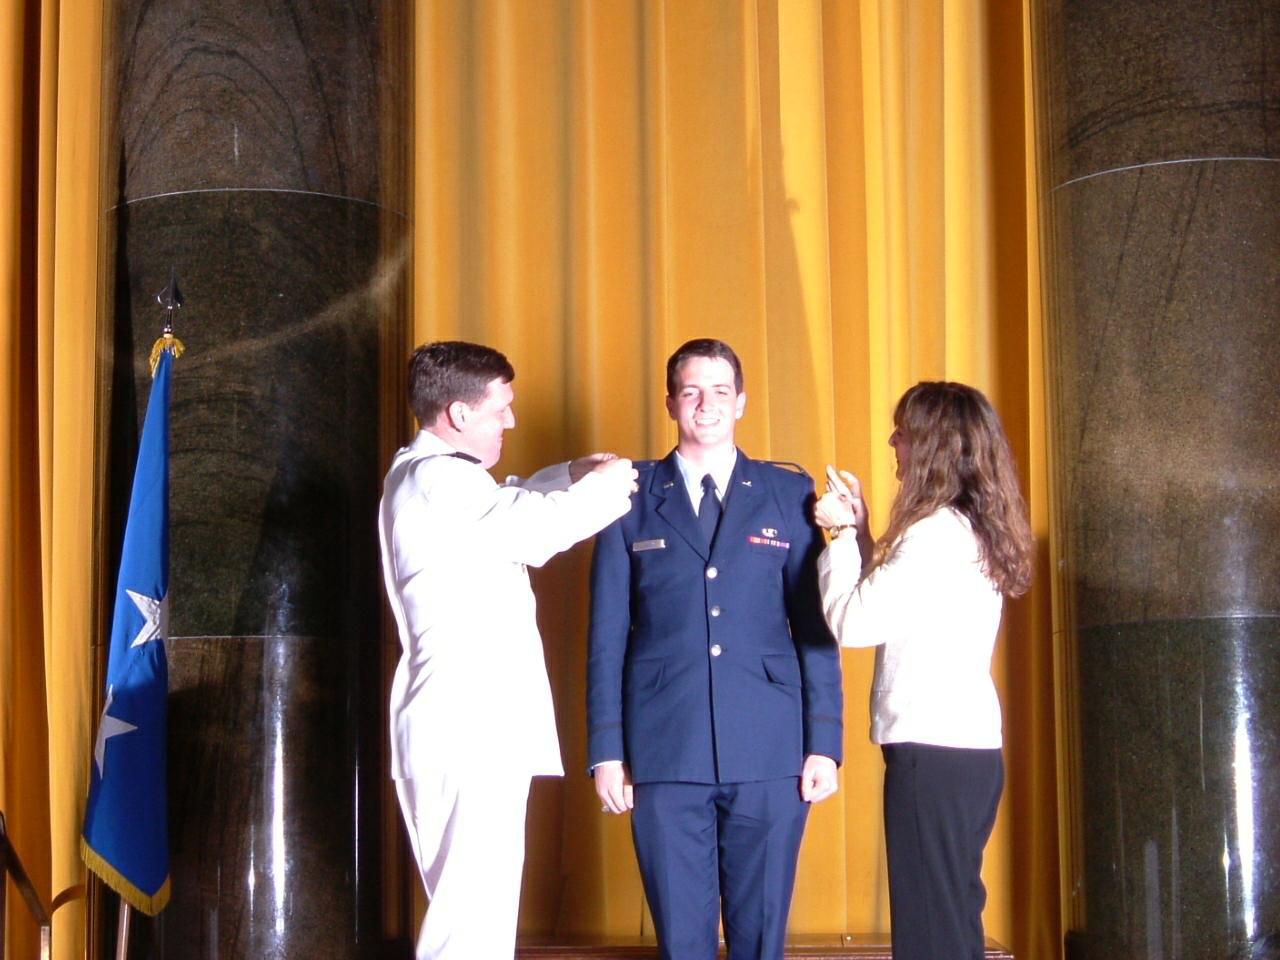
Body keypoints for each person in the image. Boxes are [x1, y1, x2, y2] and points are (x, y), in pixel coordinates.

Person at [379, 340, 638, 960]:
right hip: (468, 726)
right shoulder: (439, 479)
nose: (511, 421)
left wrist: (571, 473)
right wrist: (607, 489)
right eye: (501, 409)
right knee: (469, 929)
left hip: (461, 727)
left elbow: (509, 498)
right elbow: (533, 527)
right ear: (459, 414)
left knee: (474, 922)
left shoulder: (432, 475)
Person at [587, 338, 843, 960]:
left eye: (721, 391)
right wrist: (606, 751)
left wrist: (824, 742)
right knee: (682, 944)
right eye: (692, 391)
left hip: (771, 750)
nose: (707, 404)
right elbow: (606, 636)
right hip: (663, 748)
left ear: (743, 402)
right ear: (670, 402)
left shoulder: (788, 494)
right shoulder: (627, 495)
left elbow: (815, 627)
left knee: (762, 940)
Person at [814, 381, 1033, 960]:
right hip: (965, 754)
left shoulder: (933, 533)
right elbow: (894, 598)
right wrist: (863, 532)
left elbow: (854, 622)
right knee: (950, 922)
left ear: (933, 446)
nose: (893, 441)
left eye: (904, 432)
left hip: (932, 754)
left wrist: (839, 535)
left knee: (931, 935)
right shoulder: (962, 527)